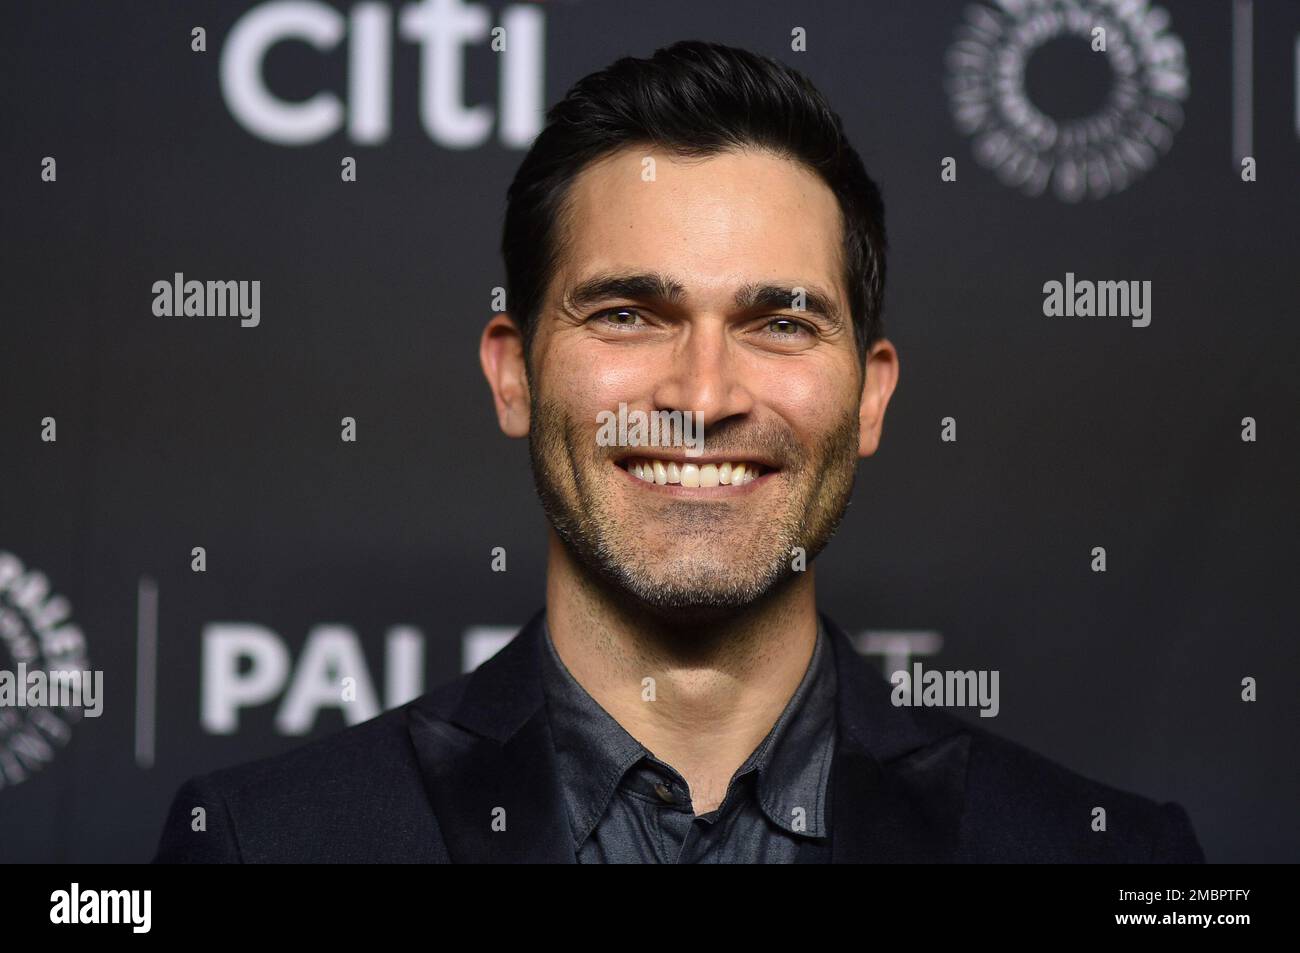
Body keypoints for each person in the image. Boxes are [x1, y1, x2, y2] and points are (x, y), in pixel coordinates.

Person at [153, 40, 1203, 863]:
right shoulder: (271, 841)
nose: (701, 397)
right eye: (626, 313)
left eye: (780, 323)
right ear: (513, 372)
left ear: (871, 395)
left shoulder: (1103, 853)